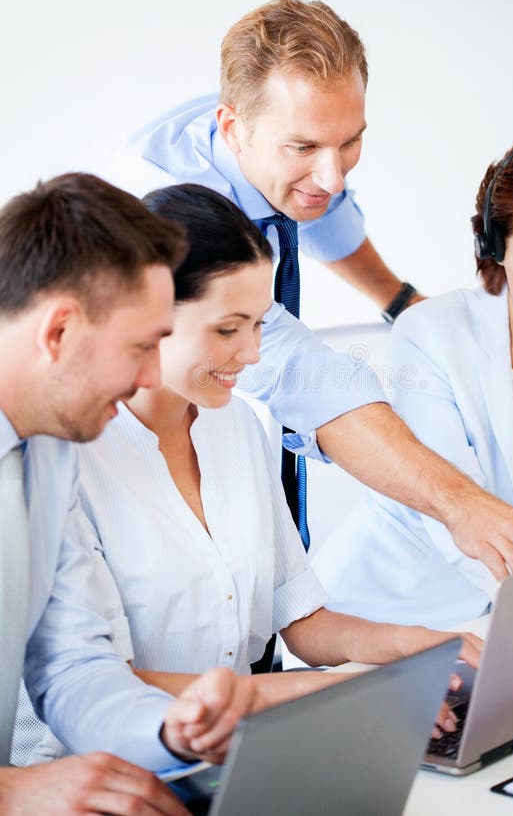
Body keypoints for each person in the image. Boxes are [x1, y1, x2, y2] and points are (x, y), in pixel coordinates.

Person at [17, 184, 481, 765]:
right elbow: (98, 683)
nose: (254, 354)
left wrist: (420, 648)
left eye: (261, 325)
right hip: (104, 769)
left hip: (231, 755)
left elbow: (300, 619)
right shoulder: (66, 451)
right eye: (227, 328)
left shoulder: (234, 425)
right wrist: (335, 696)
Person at [109, 0, 513, 581]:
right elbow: (301, 376)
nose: (334, 174)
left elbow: (322, 206)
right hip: (143, 483)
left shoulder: (266, 126)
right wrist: (462, 506)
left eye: (350, 141)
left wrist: (400, 302)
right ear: (232, 126)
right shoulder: (171, 224)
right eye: (305, 148)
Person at [0, 173, 288, 814]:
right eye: (142, 346)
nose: (154, 376)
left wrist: (167, 728)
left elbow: (73, 666)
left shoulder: (49, 452)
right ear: (59, 332)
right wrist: (9, 791)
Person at [312, 135, 513, 629]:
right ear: (495, 248)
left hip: (512, 613)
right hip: (382, 611)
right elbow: (455, 514)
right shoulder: (433, 333)